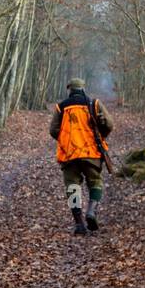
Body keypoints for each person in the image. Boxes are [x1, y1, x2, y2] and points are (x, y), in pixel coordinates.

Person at [50, 78, 112, 235]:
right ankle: (91, 211)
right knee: (95, 182)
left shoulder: (61, 107)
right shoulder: (93, 104)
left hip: (69, 154)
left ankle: (79, 223)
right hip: (91, 153)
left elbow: (53, 130)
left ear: (69, 89)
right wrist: (99, 136)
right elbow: (109, 124)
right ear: (83, 88)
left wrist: (66, 140)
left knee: (73, 187)